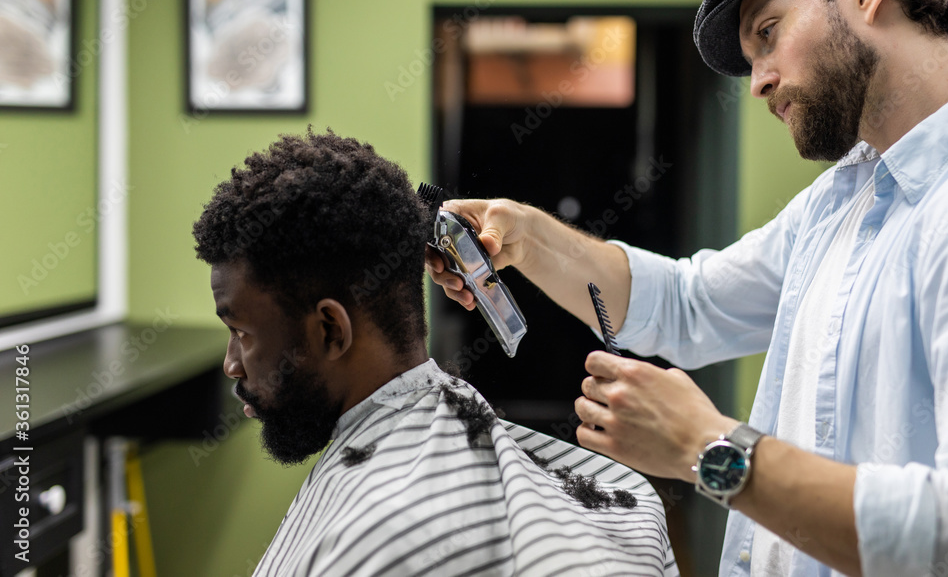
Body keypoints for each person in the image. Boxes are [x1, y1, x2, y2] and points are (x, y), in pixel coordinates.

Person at [426, 0, 948, 575]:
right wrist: (525, 235)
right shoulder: (843, 197)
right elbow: (688, 303)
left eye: (769, 32)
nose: (757, 82)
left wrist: (711, 446)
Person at [191, 129, 677, 576]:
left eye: (240, 331)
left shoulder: (375, 543)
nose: (232, 363)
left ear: (330, 330)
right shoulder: (627, 497)